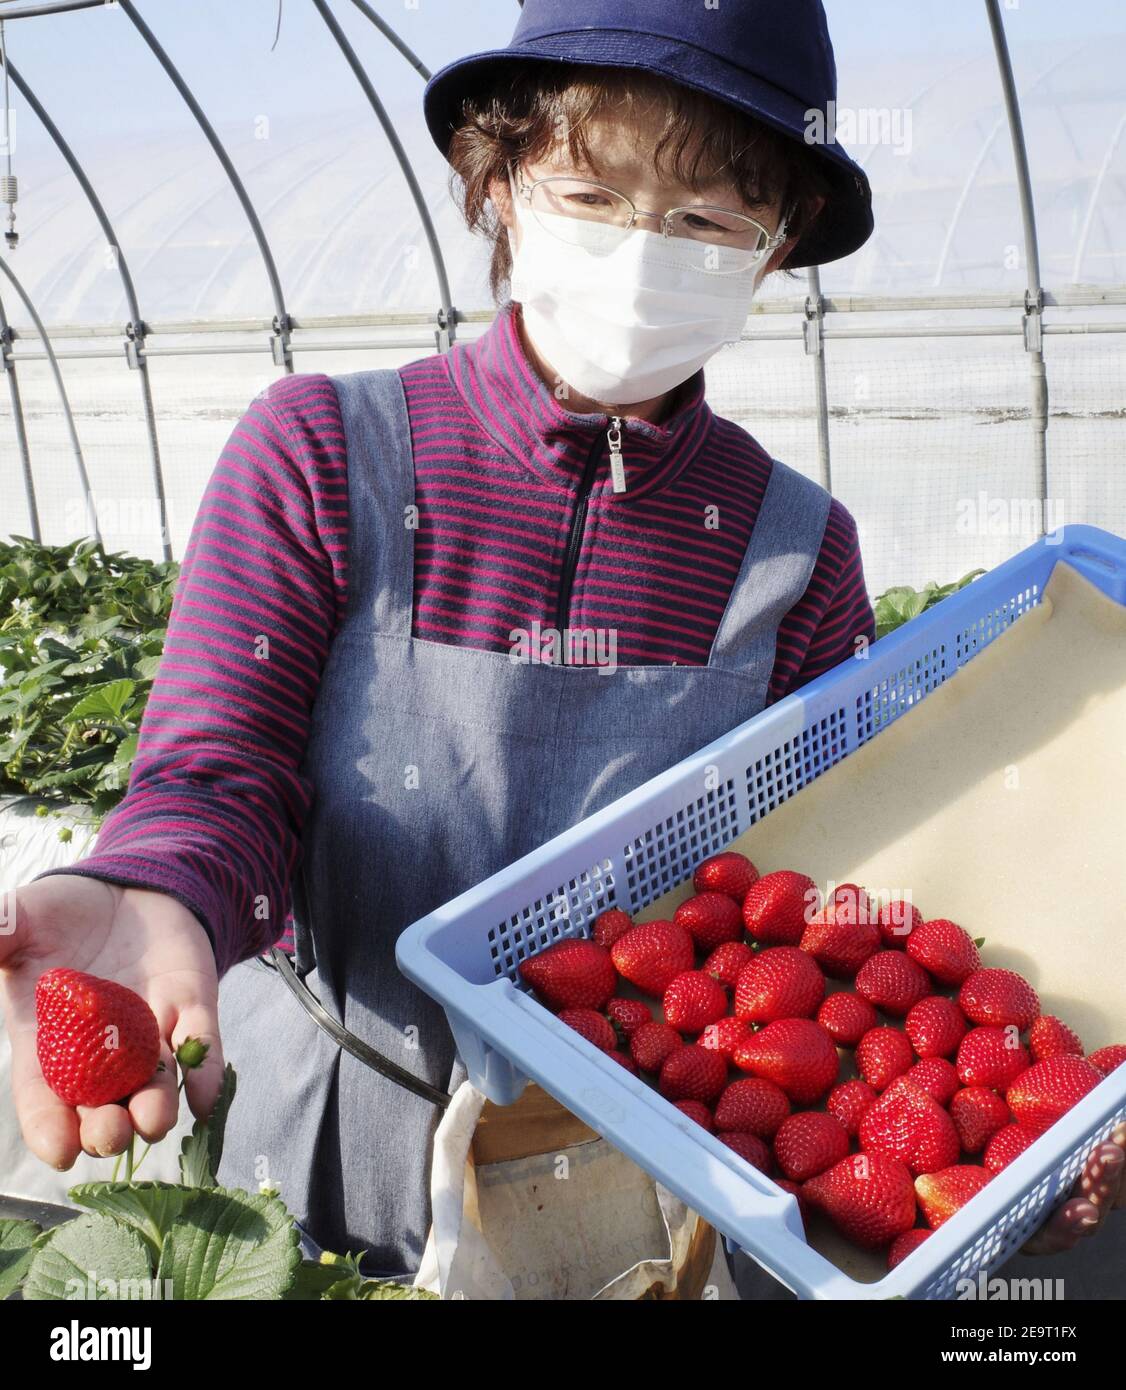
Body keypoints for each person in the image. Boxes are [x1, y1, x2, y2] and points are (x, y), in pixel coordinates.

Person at [2, 0, 1121, 1297]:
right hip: (326, 1145)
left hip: (631, 1196)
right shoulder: (321, 455)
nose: (645, 251)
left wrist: (1006, 1149)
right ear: (501, 179)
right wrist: (161, 895)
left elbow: (825, 918)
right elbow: (222, 775)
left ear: (773, 246)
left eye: (704, 220)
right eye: (592, 191)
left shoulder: (795, 551)